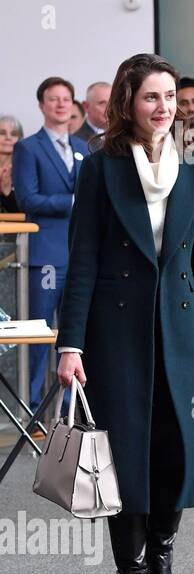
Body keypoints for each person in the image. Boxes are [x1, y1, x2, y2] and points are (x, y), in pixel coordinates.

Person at [55, 53, 194, 574]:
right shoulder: (99, 168)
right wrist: (70, 345)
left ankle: (161, 560)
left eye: (170, 98)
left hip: (179, 332)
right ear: (128, 104)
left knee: (175, 452)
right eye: (150, 98)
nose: (163, 108)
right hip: (115, 335)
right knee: (125, 456)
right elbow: (81, 261)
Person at [12, 77, 84, 407]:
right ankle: (32, 411)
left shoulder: (85, 147)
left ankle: (71, 410)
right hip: (45, 255)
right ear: (41, 105)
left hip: (81, 255)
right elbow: (28, 200)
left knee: (75, 337)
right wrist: (71, 202)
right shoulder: (28, 147)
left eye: (66, 99)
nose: (60, 104)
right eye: (53, 99)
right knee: (40, 336)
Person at [75, 81, 110, 145]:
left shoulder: (125, 136)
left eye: (113, 102)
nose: (109, 108)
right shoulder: (77, 141)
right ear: (86, 107)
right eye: (102, 103)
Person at [0, 115, 23, 214]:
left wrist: (7, 192)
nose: (8, 138)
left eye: (14, 134)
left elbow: (26, 211)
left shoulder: (25, 169)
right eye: (2, 133)